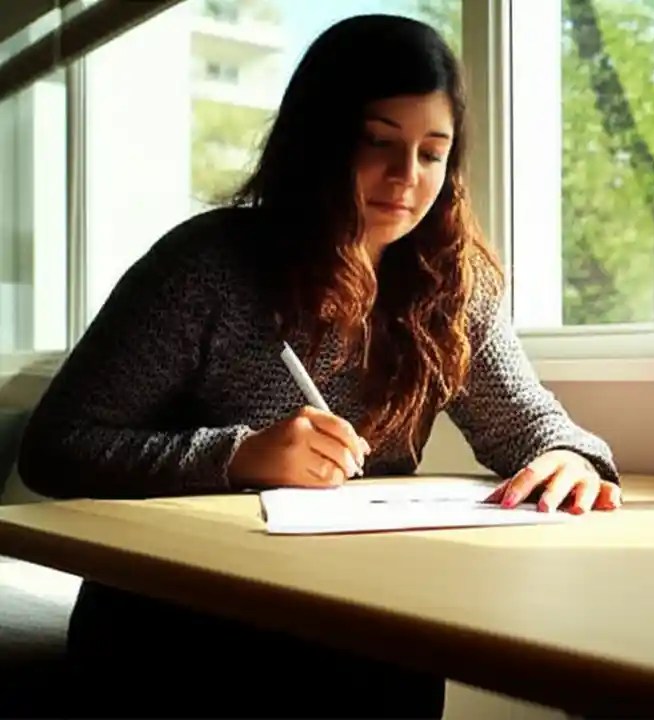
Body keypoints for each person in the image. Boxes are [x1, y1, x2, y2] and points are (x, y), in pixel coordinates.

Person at [17, 14, 621, 719]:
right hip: (180, 627)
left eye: (433, 153)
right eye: (378, 143)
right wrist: (238, 456)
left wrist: (570, 457)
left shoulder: (451, 285)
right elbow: (55, 449)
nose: (406, 179)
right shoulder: (207, 267)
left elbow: (530, 424)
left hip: (364, 621)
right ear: (320, 139)